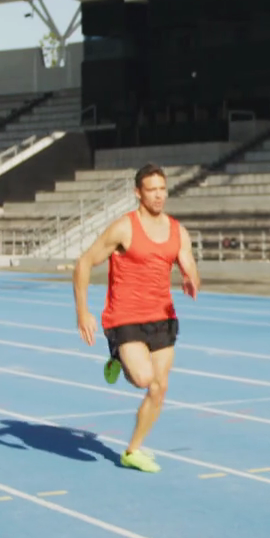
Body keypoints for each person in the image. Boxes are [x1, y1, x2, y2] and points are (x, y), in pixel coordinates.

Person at [74, 163, 200, 473]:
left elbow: (190, 266)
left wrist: (189, 278)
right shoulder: (124, 228)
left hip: (163, 316)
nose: (158, 195)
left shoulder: (177, 231)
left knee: (159, 388)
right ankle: (117, 356)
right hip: (124, 317)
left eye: (162, 189)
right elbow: (84, 263)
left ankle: (132, 450)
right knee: (143, 378)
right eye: (151, 190)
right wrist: (83, 312)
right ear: (138, 193)